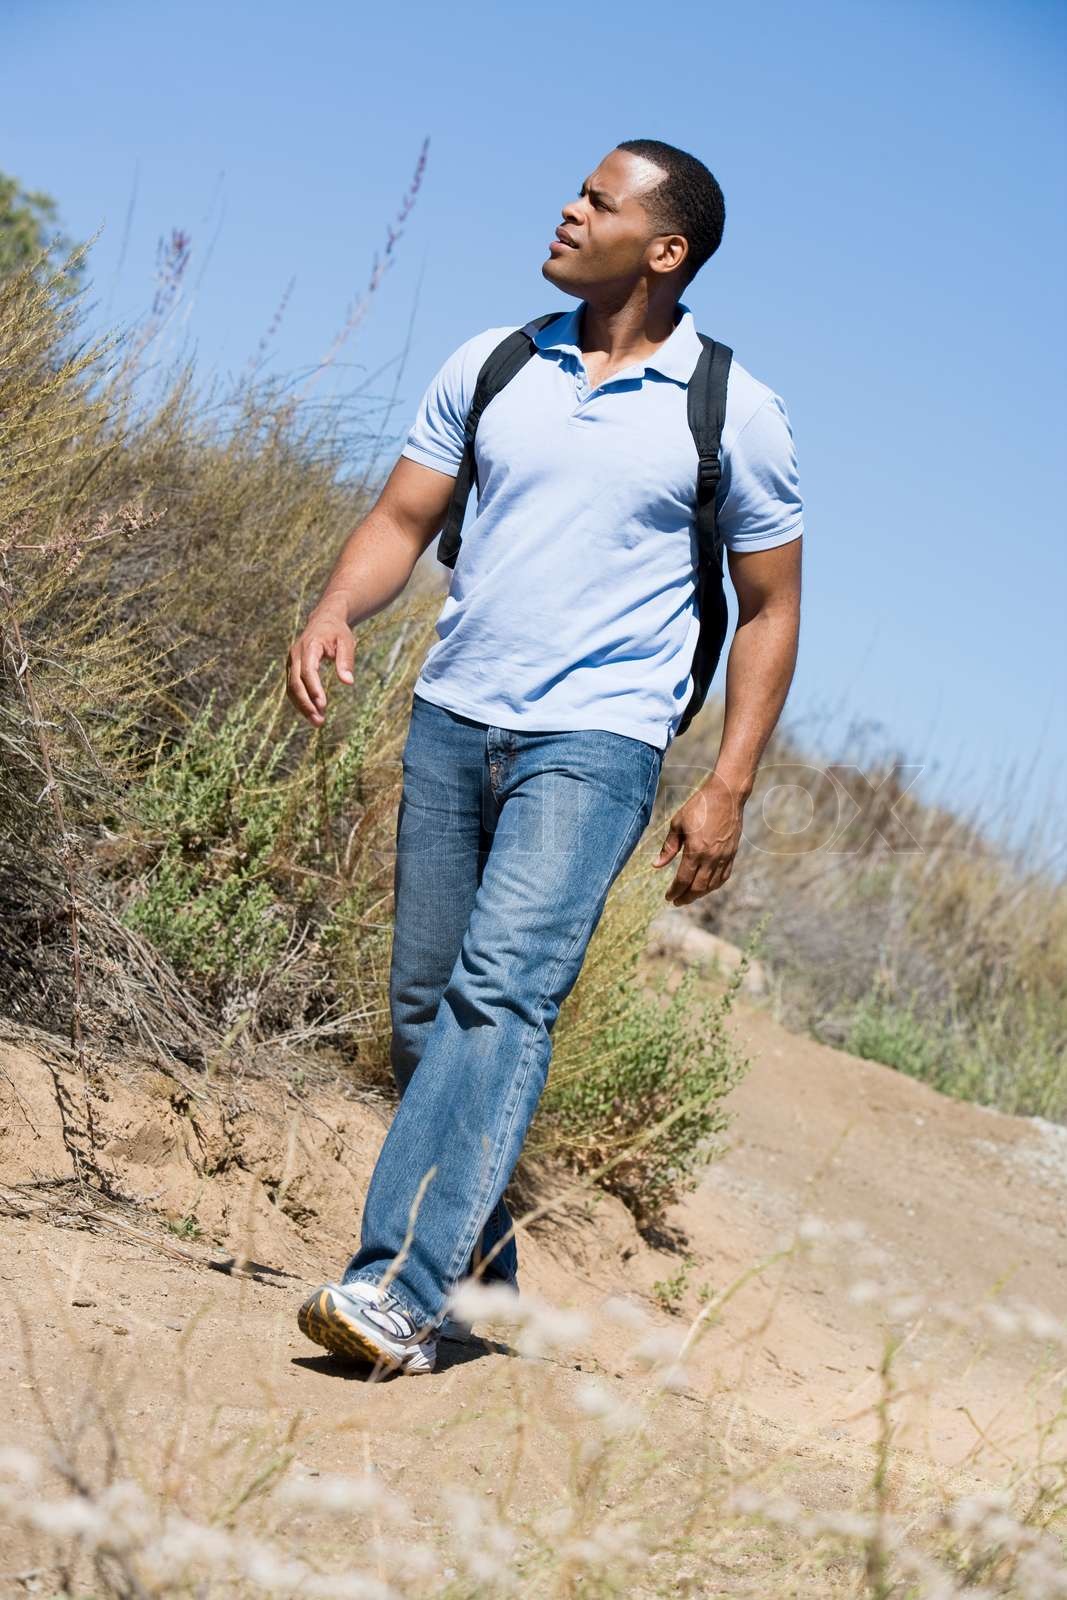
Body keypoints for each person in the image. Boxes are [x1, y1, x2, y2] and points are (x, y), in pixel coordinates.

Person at [287, 139, 803, 1375]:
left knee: (500, 994)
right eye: (575, 194)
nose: (567, 211)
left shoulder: (729, 409)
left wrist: (724, 782)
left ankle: (395, 1290)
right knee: (424, 1014)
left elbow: (771, 606)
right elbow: (404, 517)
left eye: (596, 201)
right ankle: (484, 1286)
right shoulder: (497, 361)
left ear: (663, 248)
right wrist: (334, 608)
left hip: (600, 738)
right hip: (454, 714)